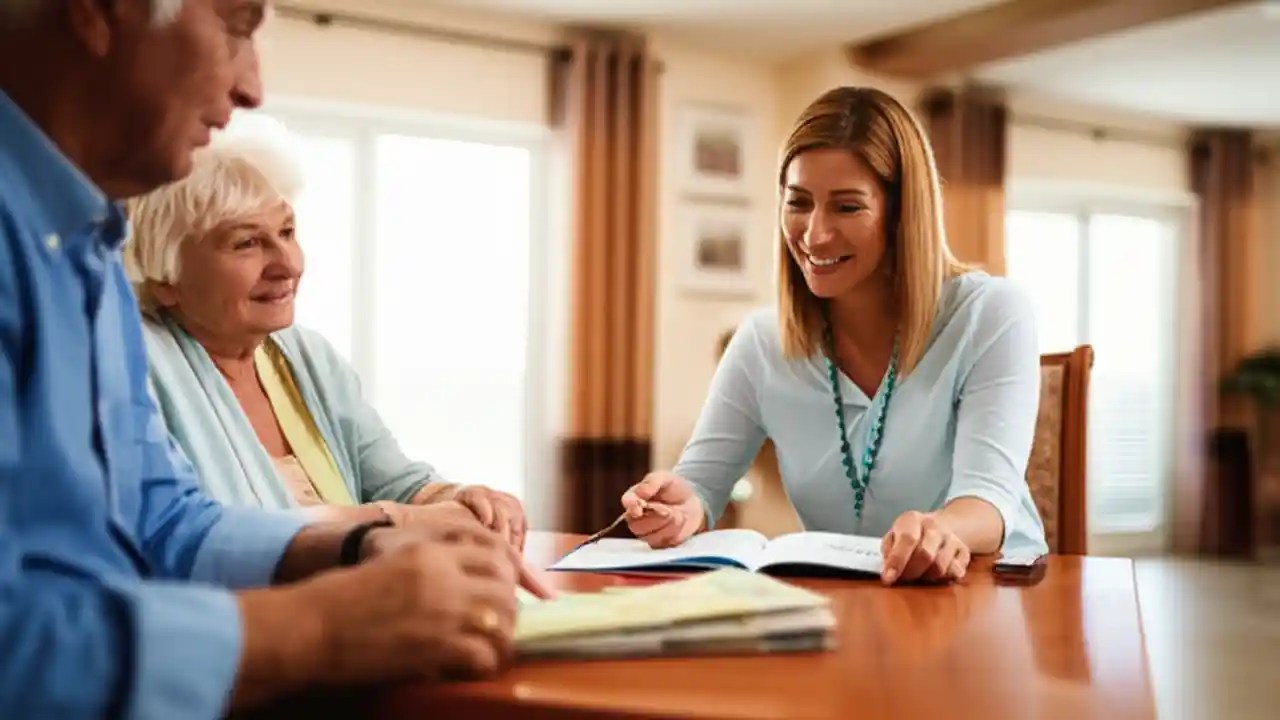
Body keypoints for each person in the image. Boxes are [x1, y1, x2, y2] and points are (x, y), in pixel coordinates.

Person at [0, 2, 545, 717]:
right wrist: (323, 625)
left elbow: (166, 521)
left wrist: (359, 549)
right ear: (103, 12)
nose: (251, 86)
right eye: (235, 27)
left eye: (286, 232)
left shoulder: (87, 251)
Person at [621, 87, 1048, 584]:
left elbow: (988, 501)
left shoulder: (991, 314)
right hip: (857, 596)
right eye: (799, 203)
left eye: (847, 207)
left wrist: (941, 530)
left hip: (991, 588)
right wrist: (681, 508)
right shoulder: (760, 342)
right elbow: (700, 484)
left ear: (902, 214)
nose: (815, 234)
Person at [123, 113, 528, 548]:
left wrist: (459, 498)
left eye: (287, 232)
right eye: (247, 243)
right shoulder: (134, 363)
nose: (288, 264)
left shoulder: (308, 355)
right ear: (165, 276)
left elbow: (399, 483)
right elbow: (208, 536)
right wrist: (399, 518)